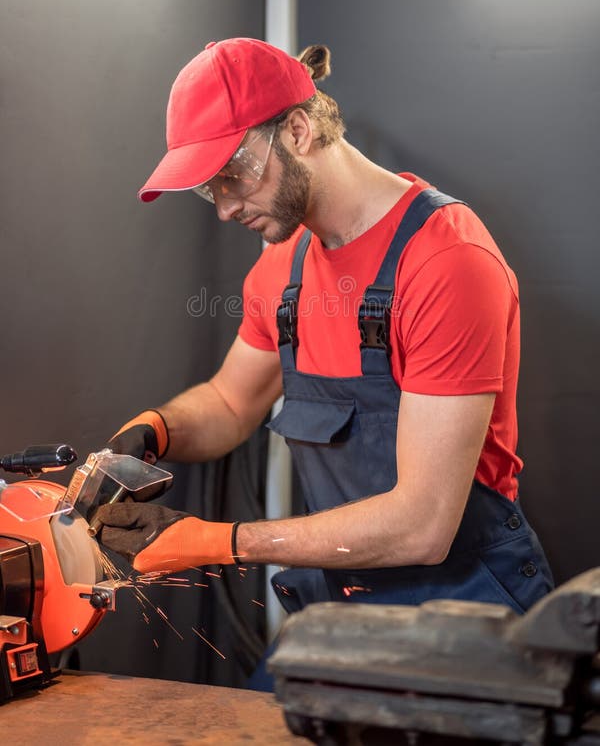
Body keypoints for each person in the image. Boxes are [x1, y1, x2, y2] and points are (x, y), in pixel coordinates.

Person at [96, 37, 553, 632]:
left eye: (231, 175)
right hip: (347, 604)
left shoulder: (446, 262)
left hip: (468, 609)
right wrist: (159, 429)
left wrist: (218, 542)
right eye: (211, 188)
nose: (225, 208)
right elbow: (231, 403)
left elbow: (424, 525)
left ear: (297, 131)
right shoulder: (283, 267)